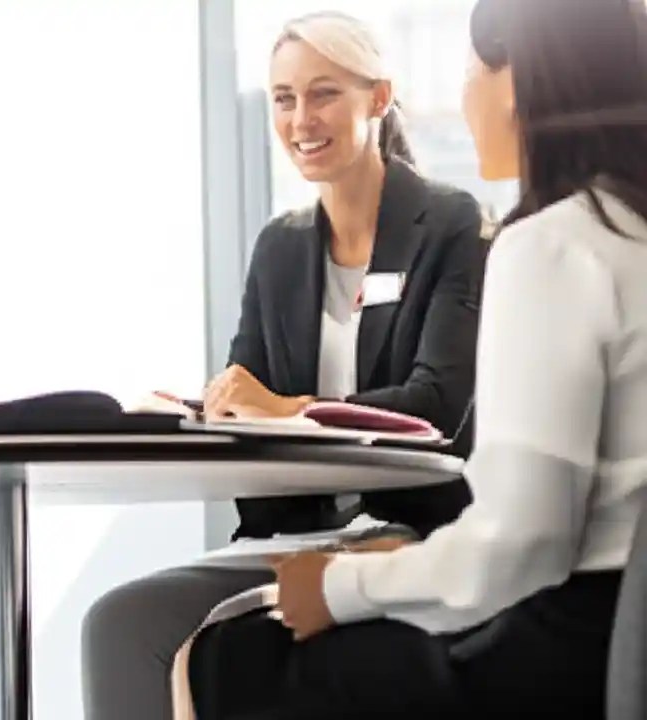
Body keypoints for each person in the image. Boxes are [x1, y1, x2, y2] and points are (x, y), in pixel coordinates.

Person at [185, 0, 647, 716]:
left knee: (230, 661)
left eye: (469, 71)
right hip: (618, 631)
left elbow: (526, 542)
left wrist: (341, 589)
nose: (463, 98)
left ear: (516, 82)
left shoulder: (550, 247)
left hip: (563, 647)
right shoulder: (628, 239)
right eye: (283, 98)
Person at [82, 12, 487, 720]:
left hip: (409, 535)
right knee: (120, 621)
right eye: (283, 98)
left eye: (324, 93)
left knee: (221, 648)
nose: (302, 118)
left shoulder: (452, 224)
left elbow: (435, 407)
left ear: (379, 98)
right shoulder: (281, 247)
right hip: (295, 532)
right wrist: (196, 412)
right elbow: (249, 391)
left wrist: (285, 410)